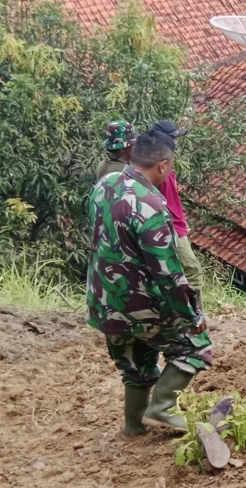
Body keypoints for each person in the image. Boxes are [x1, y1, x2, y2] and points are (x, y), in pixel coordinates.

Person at [86, 129, 210, 435]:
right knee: (195, 347)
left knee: (136, 364)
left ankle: (134, 426)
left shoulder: (104, 185)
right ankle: (162, 407)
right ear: (164, 165)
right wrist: (192, 316)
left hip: (103, 302)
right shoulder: (151, 204)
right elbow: (167, 273)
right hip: (141, 306)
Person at [147, 120, 205, 282]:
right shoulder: (157, 167)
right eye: (173, 138)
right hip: (169, 227)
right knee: (192, 271)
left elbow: (172, 198)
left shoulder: (161, 163)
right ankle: (195, 307)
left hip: (175, 224)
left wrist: (182, 220)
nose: (176, 141)